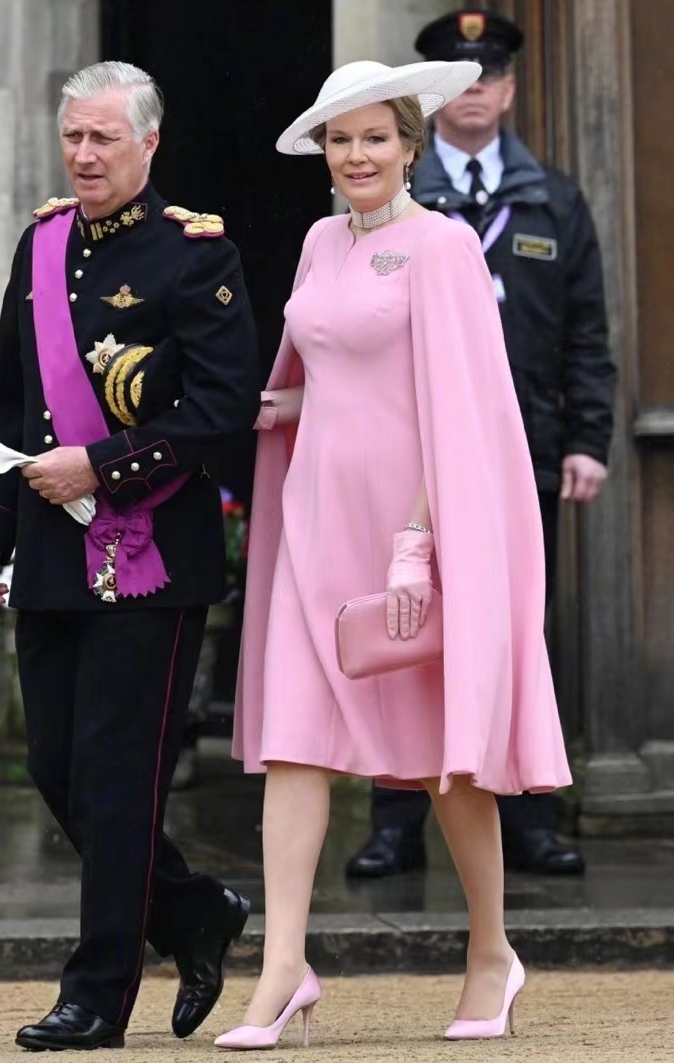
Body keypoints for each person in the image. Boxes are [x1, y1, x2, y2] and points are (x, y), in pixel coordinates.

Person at [217, 57, 572, 1050]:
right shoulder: (317, 241)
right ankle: (281, 966)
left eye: (375, 136)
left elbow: (453, 407)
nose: (356, 154)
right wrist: (266, 408)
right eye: (340, 139)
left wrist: (418, 544)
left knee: (442, 764)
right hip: (314, 522)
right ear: (322, 155)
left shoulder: (443, 247)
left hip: (408, 534)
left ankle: (491, 952)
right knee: (292, 744)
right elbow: (320, 370)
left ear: (409, 147)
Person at [0, 61, 260, 1052]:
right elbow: (9, 402)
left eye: (103, 139)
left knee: (118, 778)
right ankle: (188, 911)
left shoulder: (194, 256)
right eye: (73, 138)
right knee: (55, 768)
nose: (84, 155)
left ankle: (96, 993)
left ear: (148, 144)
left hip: (149, 555)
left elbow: (219, 413)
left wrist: (103, 462)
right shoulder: (42, 242)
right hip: (48, 550)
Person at [347, 10, 616, 882]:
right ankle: (394, 823)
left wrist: (586, 438)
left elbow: (585, 331)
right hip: (410, 454)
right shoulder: (391, 206)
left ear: (506, 89)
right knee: (404, 629)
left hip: (519, 453)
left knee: (510, 631)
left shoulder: (553, 198)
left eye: (489, 77)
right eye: (457, 79)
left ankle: (529, 818)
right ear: (433, 102)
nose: (477, 92)